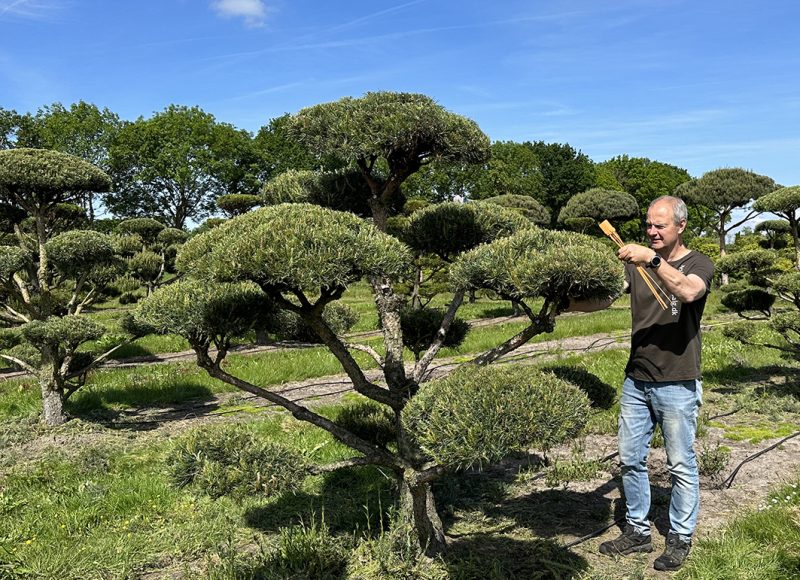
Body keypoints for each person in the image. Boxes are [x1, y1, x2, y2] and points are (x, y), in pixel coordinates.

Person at [569, 195, 714, 571]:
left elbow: (687, 291)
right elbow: (601, 301)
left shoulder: (698, 263)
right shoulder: (635, 265)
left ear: (680, 226)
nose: (651, 231)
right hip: (637, 378)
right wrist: (560, 303)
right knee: (630, 459)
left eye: (659, 225)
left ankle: (680, 536)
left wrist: (651, 259)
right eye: (648, 225)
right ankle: (637, 530)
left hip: (677, 380)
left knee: (681, 463)